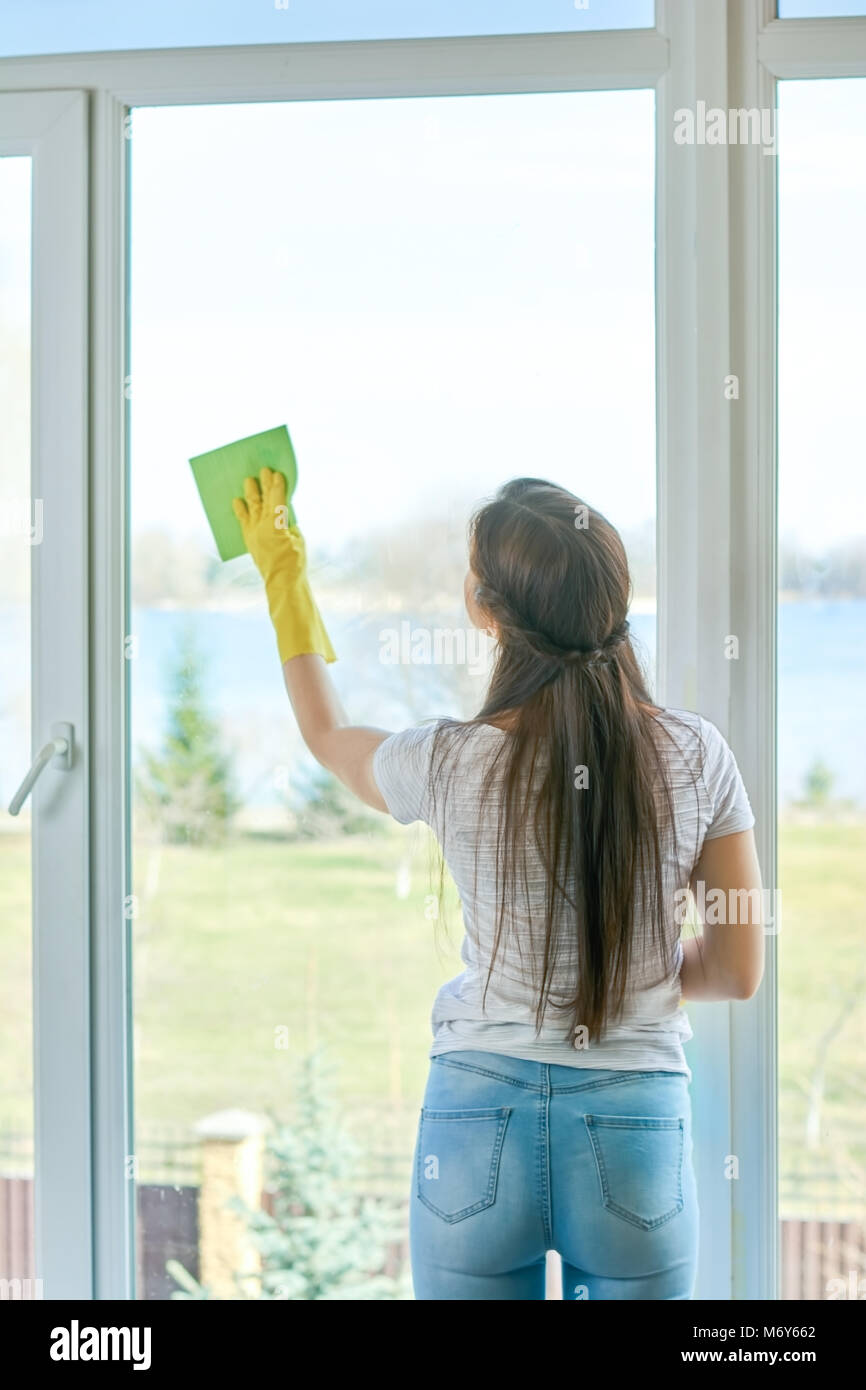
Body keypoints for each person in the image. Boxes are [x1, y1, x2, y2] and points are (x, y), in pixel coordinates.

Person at [233, 472, 764, 1301]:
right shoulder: (698, 756)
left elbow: (328, 733)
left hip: (475, 1124)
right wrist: (642, 974)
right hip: (635, 1133)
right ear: (613, 598)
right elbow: (736, 971)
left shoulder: (447, 760)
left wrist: (283, 575)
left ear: (487, 610)